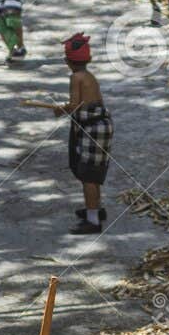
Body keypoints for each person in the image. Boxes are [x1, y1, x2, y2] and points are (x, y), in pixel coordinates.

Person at [55, 30, 113, 233]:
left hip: (93, 130)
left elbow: (74, 104)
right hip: (100, 126)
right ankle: (95, 210)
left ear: (67, 61)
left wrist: (60, 109)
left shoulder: (76, 78)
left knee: (88, 175)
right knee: (92, 172)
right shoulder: (88, 75)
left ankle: (93, 221)